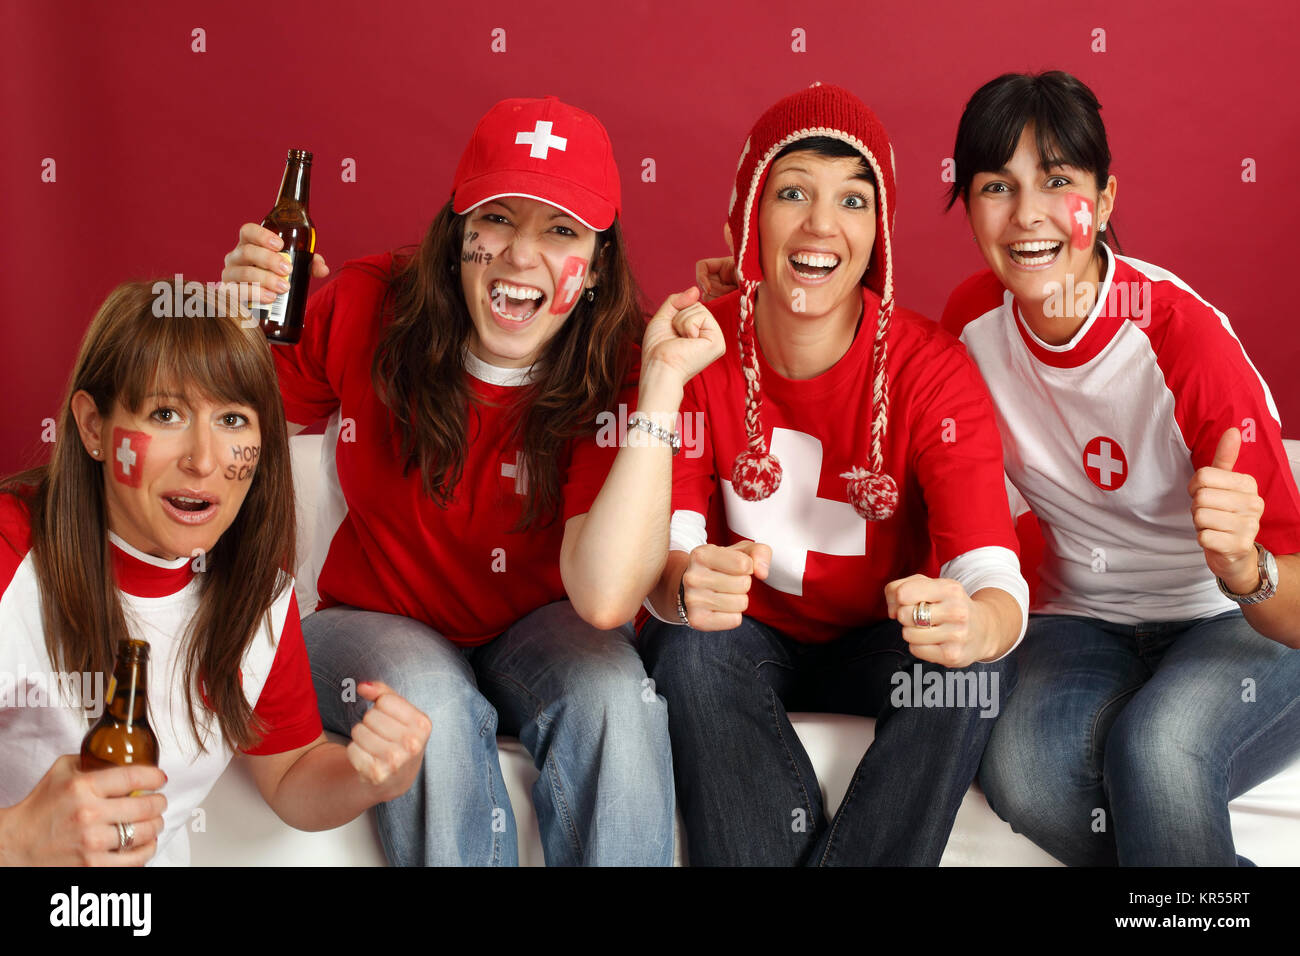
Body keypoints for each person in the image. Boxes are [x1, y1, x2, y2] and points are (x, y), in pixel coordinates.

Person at [220, 95, 721, 866]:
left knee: (614, 695)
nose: (522, 256)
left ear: (596, 265)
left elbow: (606, 600)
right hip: (375, 619)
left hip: (540, 626)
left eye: (560, 231)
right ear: (456, 234)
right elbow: (223, 410)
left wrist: (658, 387)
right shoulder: (366, 303)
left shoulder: (625, 359)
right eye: (498, 218)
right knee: (430, 699)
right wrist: (237, 319)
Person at [639, 82, 1029, 866]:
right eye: (792, 193)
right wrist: (685, 582)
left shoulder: (930, 370)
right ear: (749, 216)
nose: (822, 225)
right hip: (743, 637)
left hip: (878, 643)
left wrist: (974, 625)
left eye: (854, 201)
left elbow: (990, 570)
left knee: (964, 680)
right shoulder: (694, 347)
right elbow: (668, 554)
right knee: (690, 649)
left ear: (878, 232)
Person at [940, 70, 1300, 865]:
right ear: (968, 207)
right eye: (997, 186)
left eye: (1059, 182)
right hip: (1079, 622)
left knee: (1158, 750)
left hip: (1227, 619)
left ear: (1102, 204)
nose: (1028, 215)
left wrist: (1245, 567)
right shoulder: (969, 324)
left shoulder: (1184, 341)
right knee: (1025, 774)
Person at [0, 281, 430, 866]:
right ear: (94, 427)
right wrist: (17, 840)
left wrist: (373, 779)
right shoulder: (11, 549)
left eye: (232, 419)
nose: (203, 459)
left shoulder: (254, 590)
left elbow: (292, 773)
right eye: (166, 413)